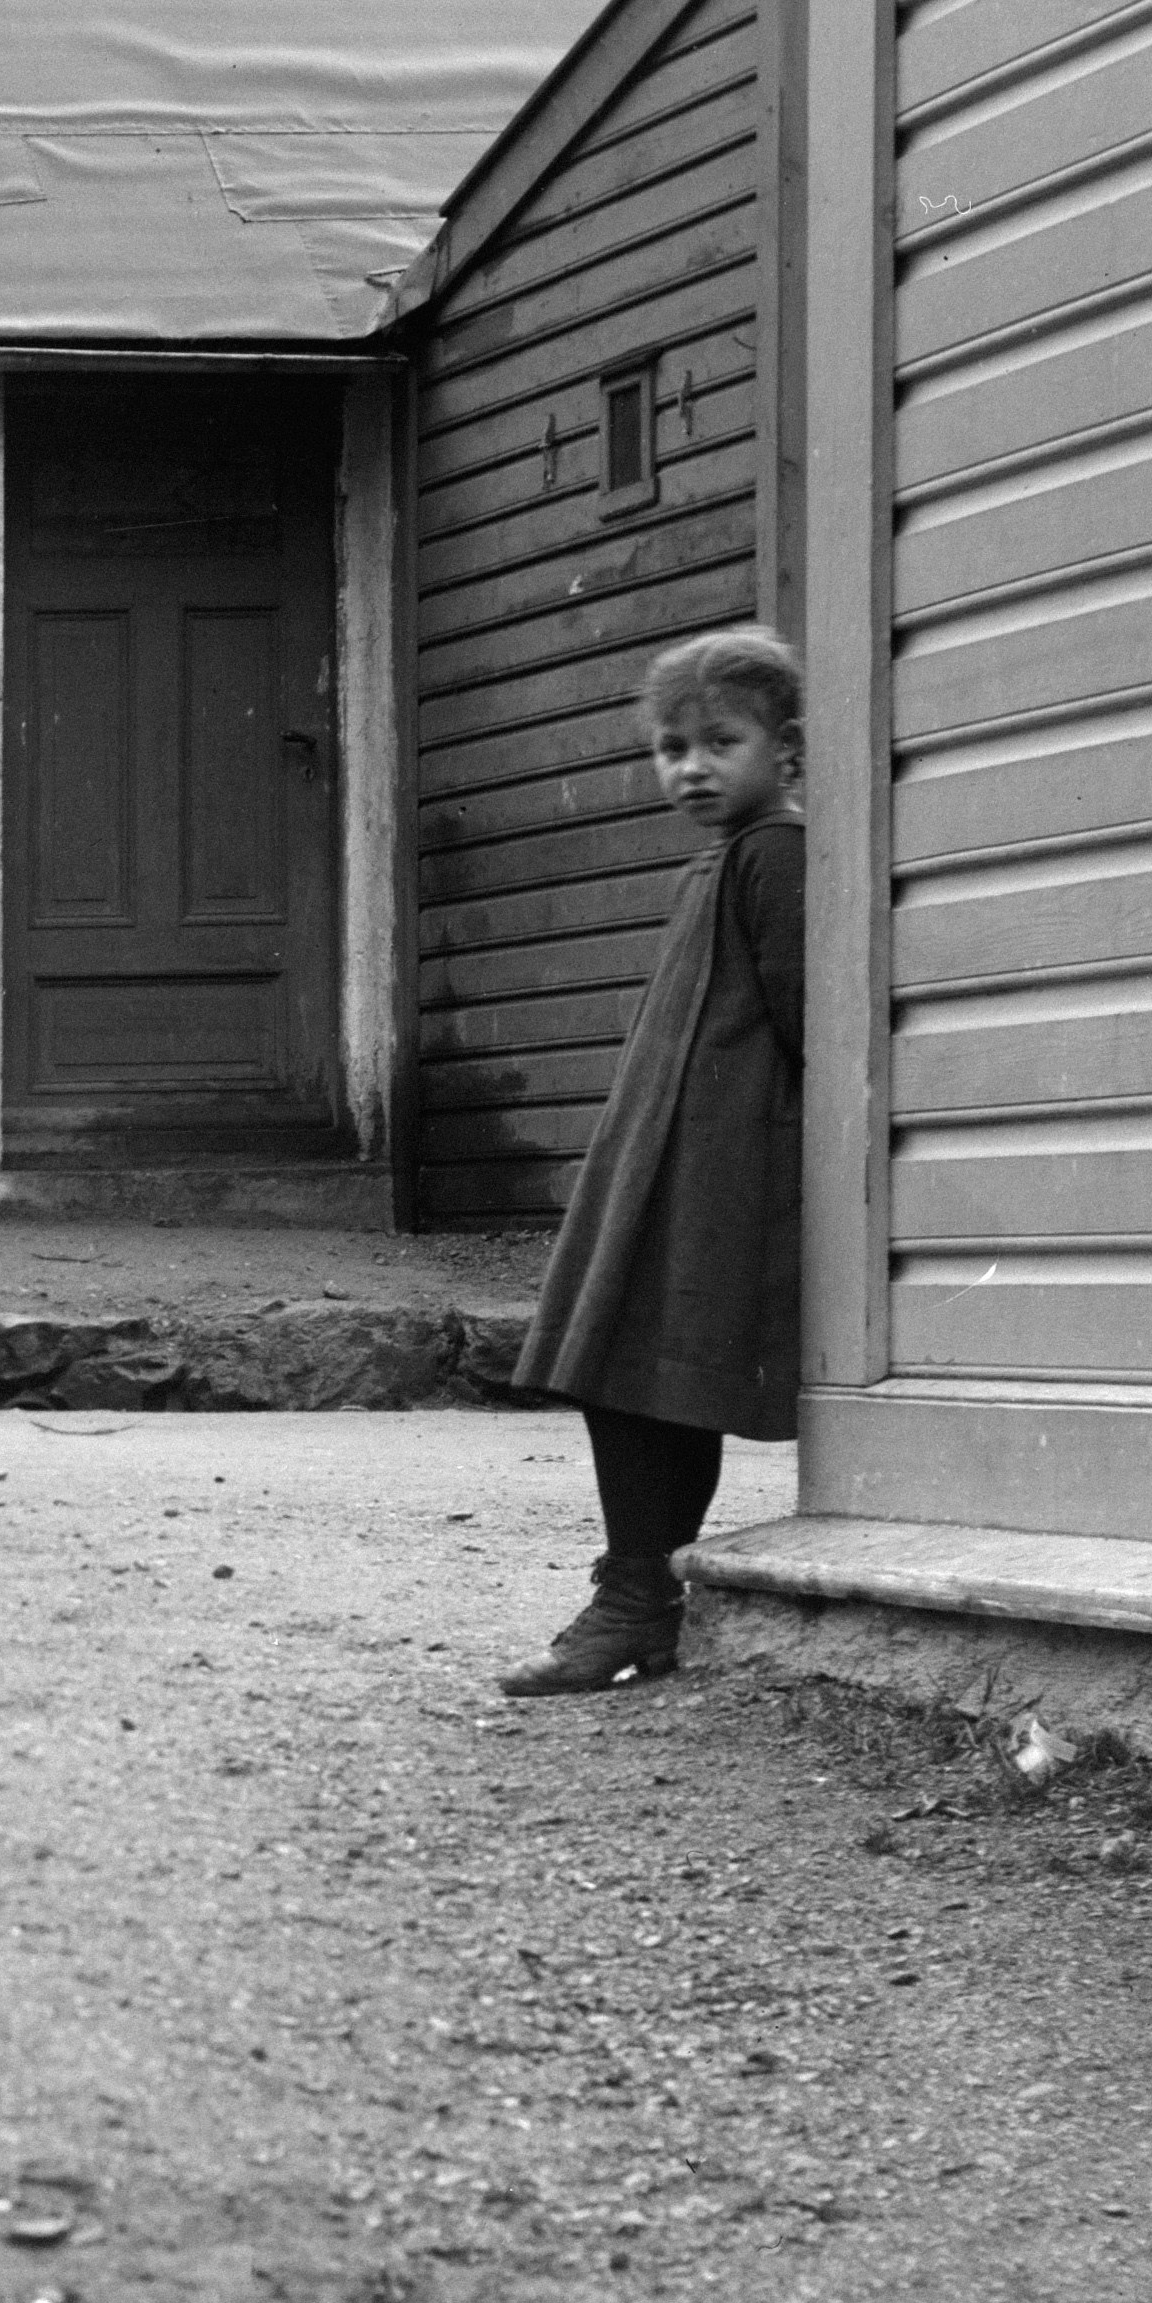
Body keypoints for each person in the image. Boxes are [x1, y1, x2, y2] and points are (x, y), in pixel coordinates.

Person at [499, 623, 806, 1697]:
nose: (690, 767)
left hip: (722, 1171)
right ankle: (640, 1597)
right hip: (665, 1160)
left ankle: (634, 1598)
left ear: (789, 750)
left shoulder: (777, 855)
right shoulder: (719, 861)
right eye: (669, 747)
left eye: (719, 742)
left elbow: (809, 1022)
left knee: (651, 1373)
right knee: (629, 1374)